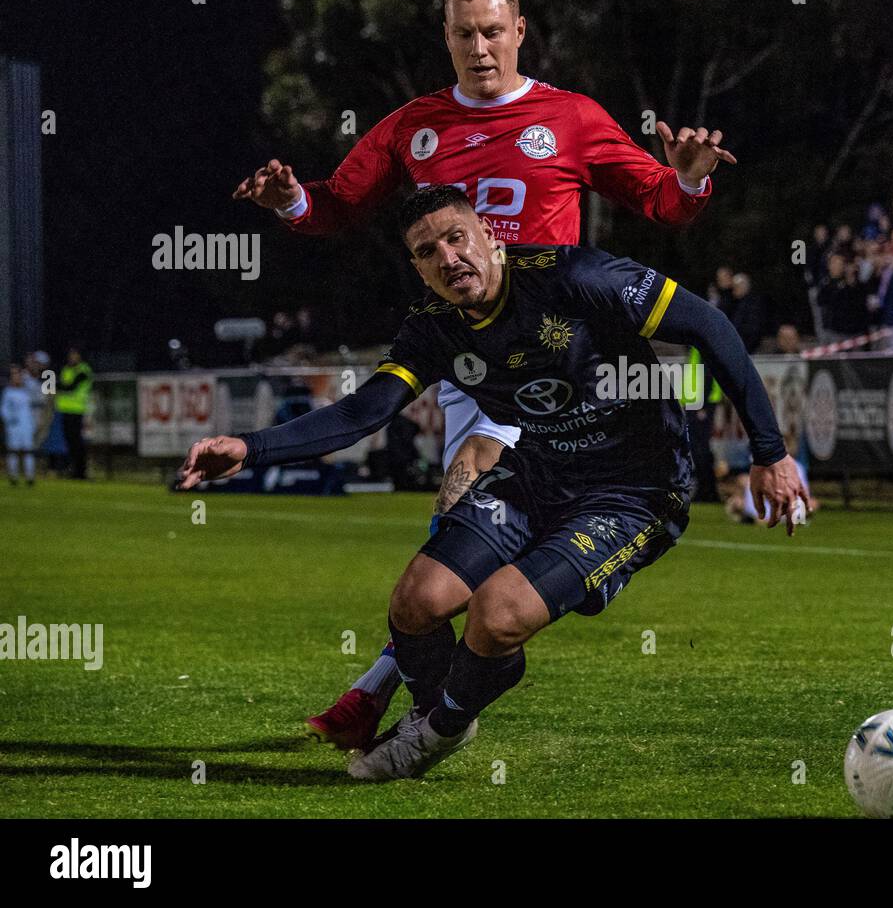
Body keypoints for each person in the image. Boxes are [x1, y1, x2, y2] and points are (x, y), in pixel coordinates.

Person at [232, 0, 736, 747]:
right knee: (457, 537)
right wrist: (290, 199)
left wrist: (691, 181)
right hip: (463, 350)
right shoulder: (415, 125)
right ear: (447, 33)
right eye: (465, 32)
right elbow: (338, 204)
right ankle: (423, 699)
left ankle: (389, 697)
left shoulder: (570, 118)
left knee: (465, 497)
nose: (480, 47)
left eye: (493, 30)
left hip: (554, 357)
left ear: (520, 29)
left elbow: (660, 202)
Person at [177, 186, 807, 780]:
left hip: (632, 493)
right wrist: (248, 447)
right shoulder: (432, 329)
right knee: (415, 604)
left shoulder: (574, 278)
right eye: (428, 253)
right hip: (537, 473)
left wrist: (769, 453)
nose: (448, 258)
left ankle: (437, 731)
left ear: (491, 235)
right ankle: (439, 707)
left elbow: (711, 326)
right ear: (419, 270)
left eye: (457, 238)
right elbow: (361, 412)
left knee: (498, 613)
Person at [55, 347, 92, 479]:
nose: (72, 357)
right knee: (69, 441)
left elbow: (70, 387)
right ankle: (74, 470)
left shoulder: (83, 370)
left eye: (75, 355)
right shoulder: (66, 369)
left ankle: (81, 471)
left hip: (77, 410)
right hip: (65, 410)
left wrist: (55, 385)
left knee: (77, 442)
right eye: (71, 355)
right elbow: (61, 385)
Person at [3, 364, 37, 486]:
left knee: (28, 451)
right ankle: (13, 477)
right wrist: (10, 420)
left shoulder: (27, 391)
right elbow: (4, 410)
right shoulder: (8, 392)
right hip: (13, 427)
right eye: (14, 375)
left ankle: (30, 477)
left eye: (18, 375)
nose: (17, 378)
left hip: (27, 427)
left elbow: (38, 388)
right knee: (13, 451)